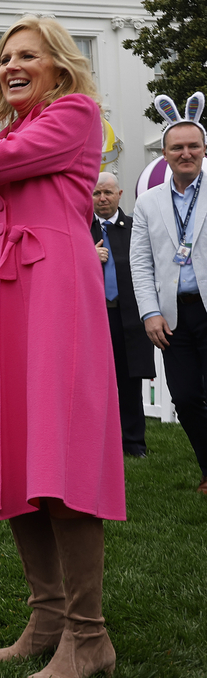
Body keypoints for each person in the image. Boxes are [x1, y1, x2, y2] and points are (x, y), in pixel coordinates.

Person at [0, 15, 123, 675]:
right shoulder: (12, 132)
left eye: (25, 56)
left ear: (59, 67)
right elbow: (13, 213)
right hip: (6, 298)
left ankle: (89, 635)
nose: (10, 66)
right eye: (3, 58)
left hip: (57, 297)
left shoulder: (75, 114)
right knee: (17, 460)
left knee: (60, 455)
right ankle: (48, 615)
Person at [131, 90, 207, 493]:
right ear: (164, 154)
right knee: (186, 397)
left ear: (204, 149)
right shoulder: (148, 203)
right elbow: (141, 263)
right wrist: (149, 312)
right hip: (173, 317)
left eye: (193, 146)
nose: (185, 153)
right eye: (177, 147)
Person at [92, 173, 153, 458]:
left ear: (120, 194)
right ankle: (98, 444)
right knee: (93, 384)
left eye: (107, 192)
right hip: (94, 319)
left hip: (127, 317)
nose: (102, 198)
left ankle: (134, 443)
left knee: (130, 381)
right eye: (96, 193)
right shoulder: (80, 231)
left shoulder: (135, 228)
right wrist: (88, 257)